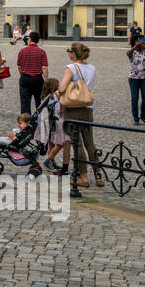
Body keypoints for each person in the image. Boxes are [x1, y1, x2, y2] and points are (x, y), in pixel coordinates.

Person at [56, 41, 101, 187]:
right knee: (90, 143)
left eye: (69, 51)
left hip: (73, 109)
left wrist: (56, 93)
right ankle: (98, 175)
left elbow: (62, 88)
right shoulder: (92, 68)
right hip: (88, 107)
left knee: (78, 143)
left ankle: (83, 177)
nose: (69, 54)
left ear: (74, 53)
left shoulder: (71, 67)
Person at [16, 30, 49, 114]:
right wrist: (46, 81)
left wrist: (22, 75)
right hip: (37, 79)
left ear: (30, 39)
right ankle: (40, 121)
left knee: (25, 103)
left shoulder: (22, 51)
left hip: (25, 78)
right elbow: (44, 67)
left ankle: (26, 124)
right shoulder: (42, 52)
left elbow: (19, 67)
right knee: (39, 102)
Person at [126, 39, 145, 125]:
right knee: (134, 98)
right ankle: (135, 118)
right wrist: (135, 47)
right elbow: (127, 53)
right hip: (133, 78)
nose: (139, 43)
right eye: (137, 41)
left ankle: (143, 115)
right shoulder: (132, 52)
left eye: (140, 42)